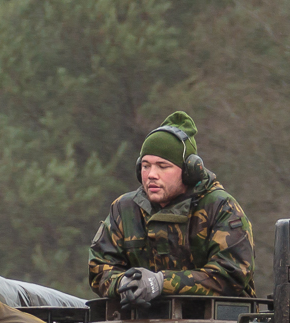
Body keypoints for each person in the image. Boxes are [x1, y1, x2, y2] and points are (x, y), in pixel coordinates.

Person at [88, 110, 255, 308]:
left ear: (189, 172)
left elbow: (232, 274)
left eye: (162, 166)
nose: (151, 175)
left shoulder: (220, 207)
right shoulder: (124, 209)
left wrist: (160, 283)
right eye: (145, 165)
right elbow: (99, 268)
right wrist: (124, 283)